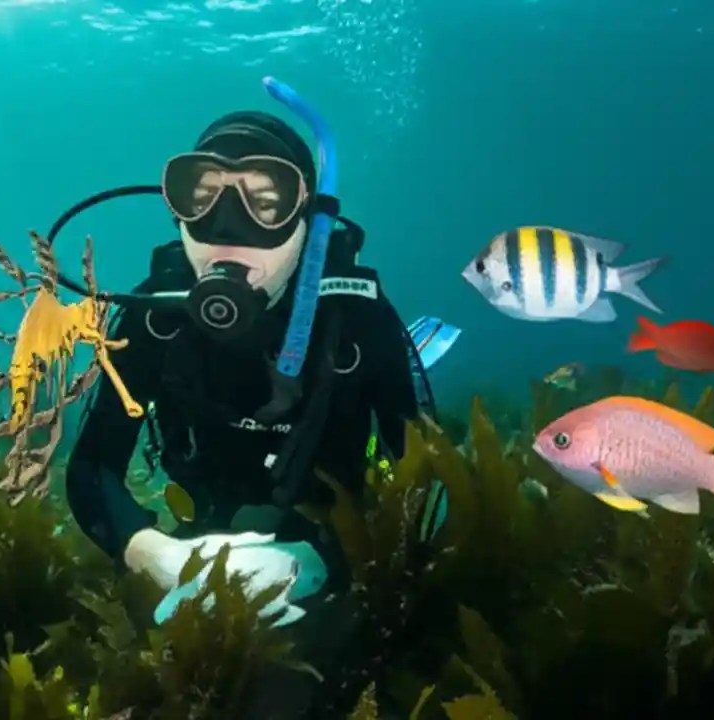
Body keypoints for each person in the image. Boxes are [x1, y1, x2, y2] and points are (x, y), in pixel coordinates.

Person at [46, 97, 445, 717]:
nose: (227, 230)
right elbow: (92, 468)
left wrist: (327, 560)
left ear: (308, 220)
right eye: (202, 195)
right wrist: (153, 552)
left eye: (264, 199)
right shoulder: (156, 319)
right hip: (193, 545)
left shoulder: (358, 321)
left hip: (330, 547)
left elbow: (427, 484)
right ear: (177, 213)